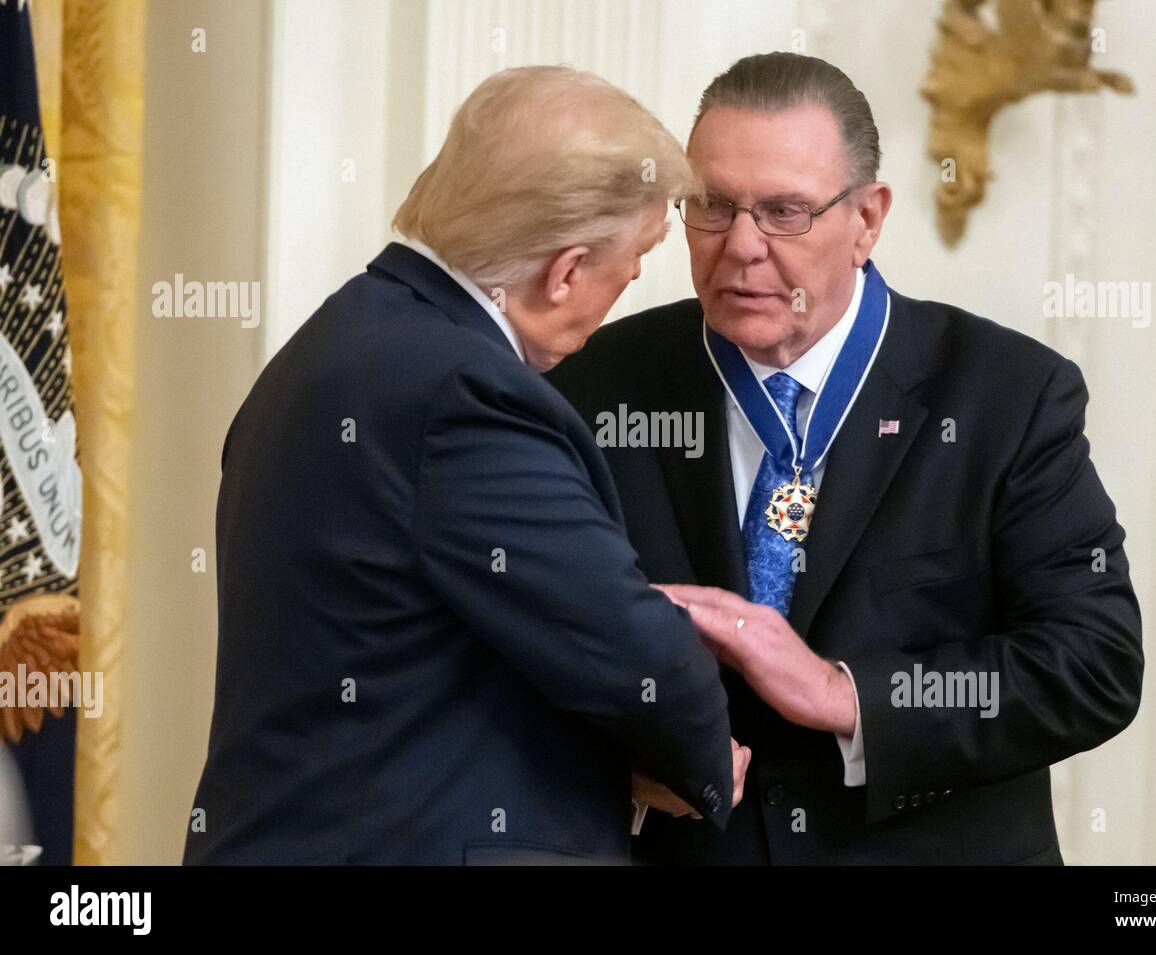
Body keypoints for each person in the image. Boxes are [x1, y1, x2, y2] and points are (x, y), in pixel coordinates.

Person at [549, 52, 1143, 864]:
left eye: (785, 211)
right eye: (713, 206)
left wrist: (848, 694)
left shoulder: (1006, 397)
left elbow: (1093, 663)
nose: (742, 247)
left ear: (867, 218)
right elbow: (516, 653)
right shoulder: (593, 386)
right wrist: (612, 766)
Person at [184, 66, 745, 865]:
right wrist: (704, 761)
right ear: (566, 270)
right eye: (640, 255)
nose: (633, 282)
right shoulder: (465, 396)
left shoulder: (332, 346)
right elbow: (634, 652)